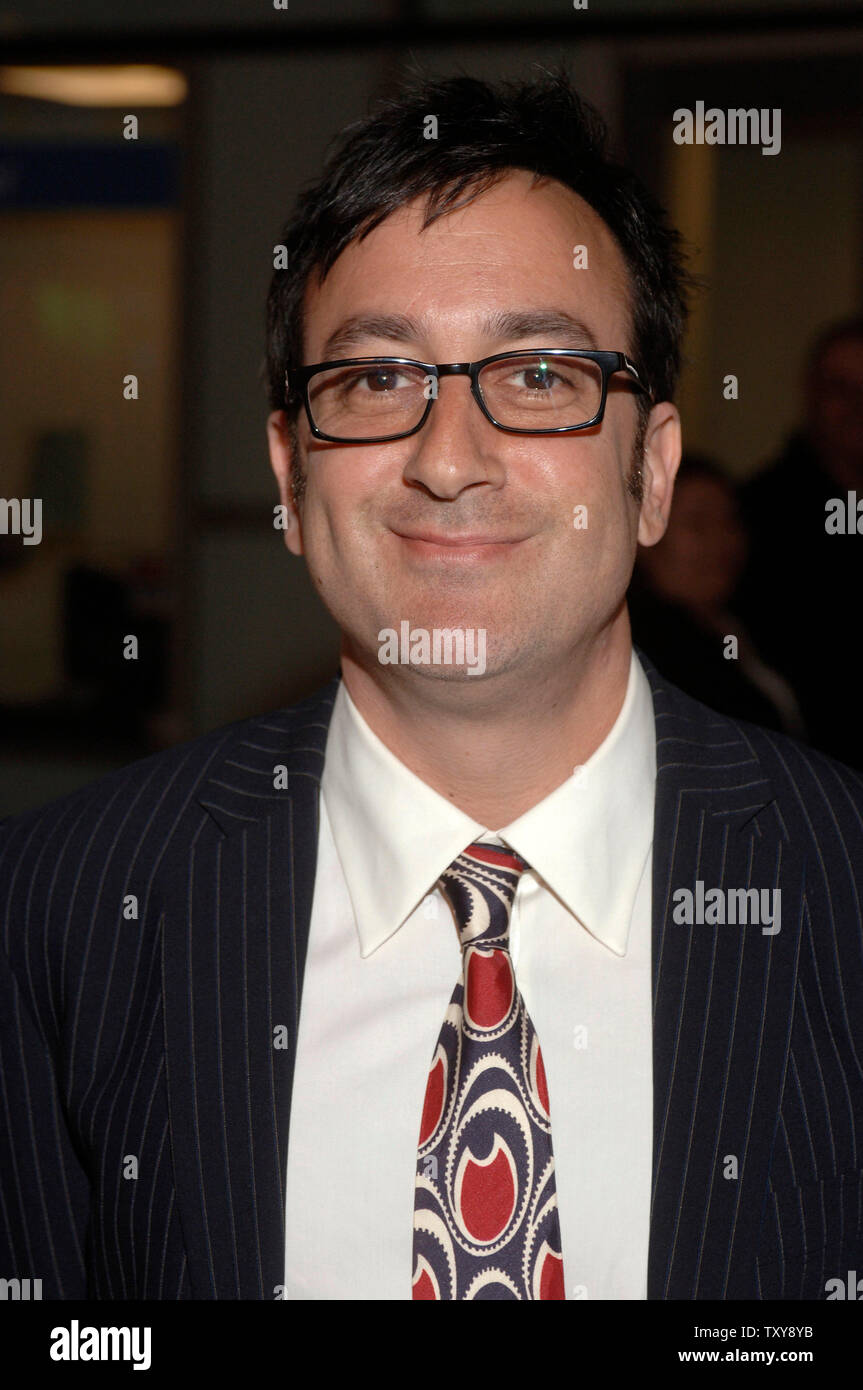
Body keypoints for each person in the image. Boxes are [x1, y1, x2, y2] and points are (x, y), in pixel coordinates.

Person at [2, 71, 862, 1303]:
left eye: (538, 375)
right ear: (290, 479)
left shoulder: (837, 889)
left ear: (654, 473)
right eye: (375, 381)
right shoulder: (61, 913)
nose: (448, 460)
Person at [735, 318, 863, 768]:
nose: (857, 406)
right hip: (801, 769)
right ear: (811, 395)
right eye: (840, 388)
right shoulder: (756, 513)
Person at [629, 453, 806, 735]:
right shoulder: (649, 652)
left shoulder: (756, 620)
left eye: (730, 521)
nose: (721, 541)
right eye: (697, 524)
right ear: (645, 535)